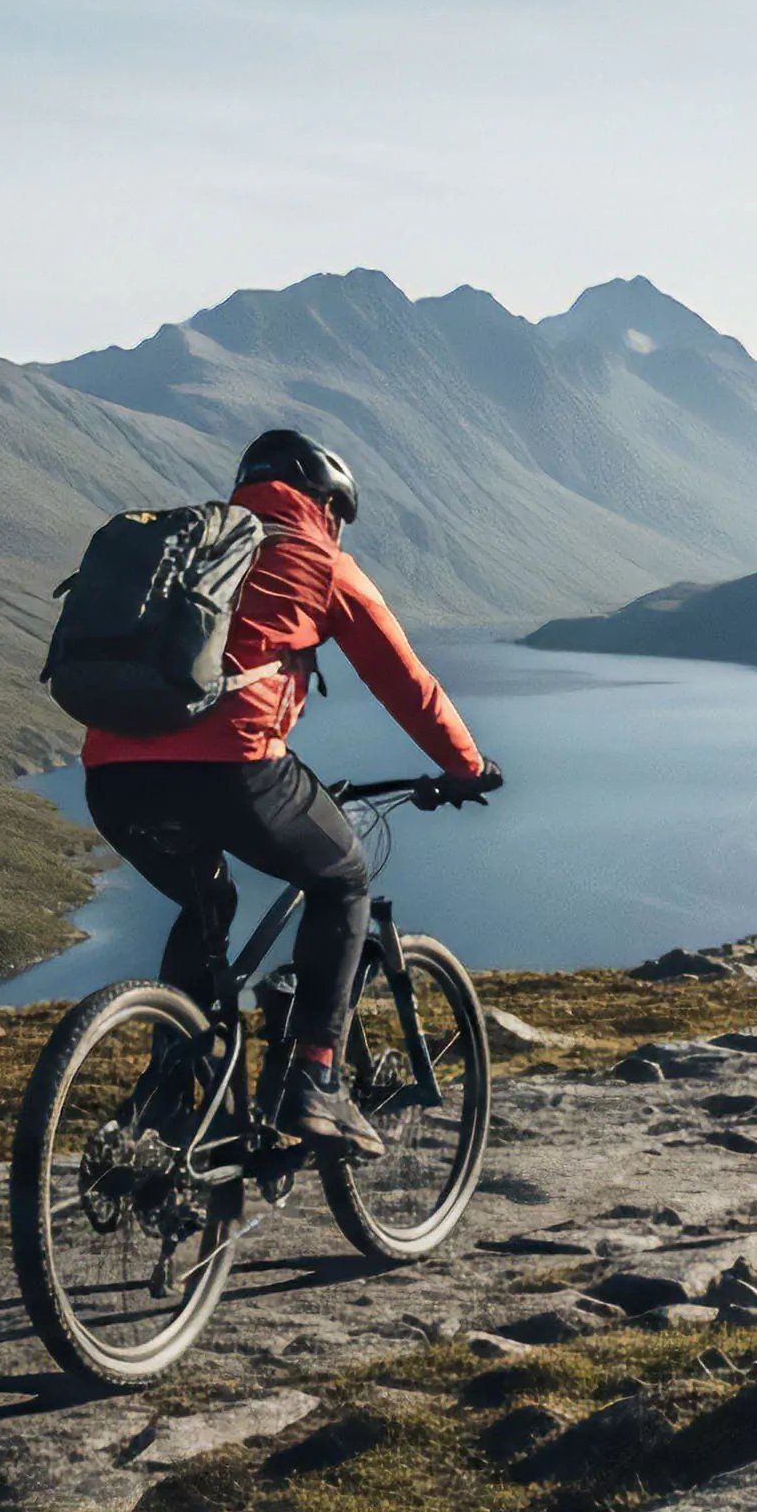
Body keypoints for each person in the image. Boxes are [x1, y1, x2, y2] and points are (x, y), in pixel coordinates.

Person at [80, 429, 497, 1156]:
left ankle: (170, 1092)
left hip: (111, 773)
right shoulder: (320, 559)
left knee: (206, 899)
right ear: (325, 505)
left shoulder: (191, 545)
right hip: (232, 767)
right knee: (342, 879)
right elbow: (404, 682)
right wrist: (466, 766)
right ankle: (315, 1079)